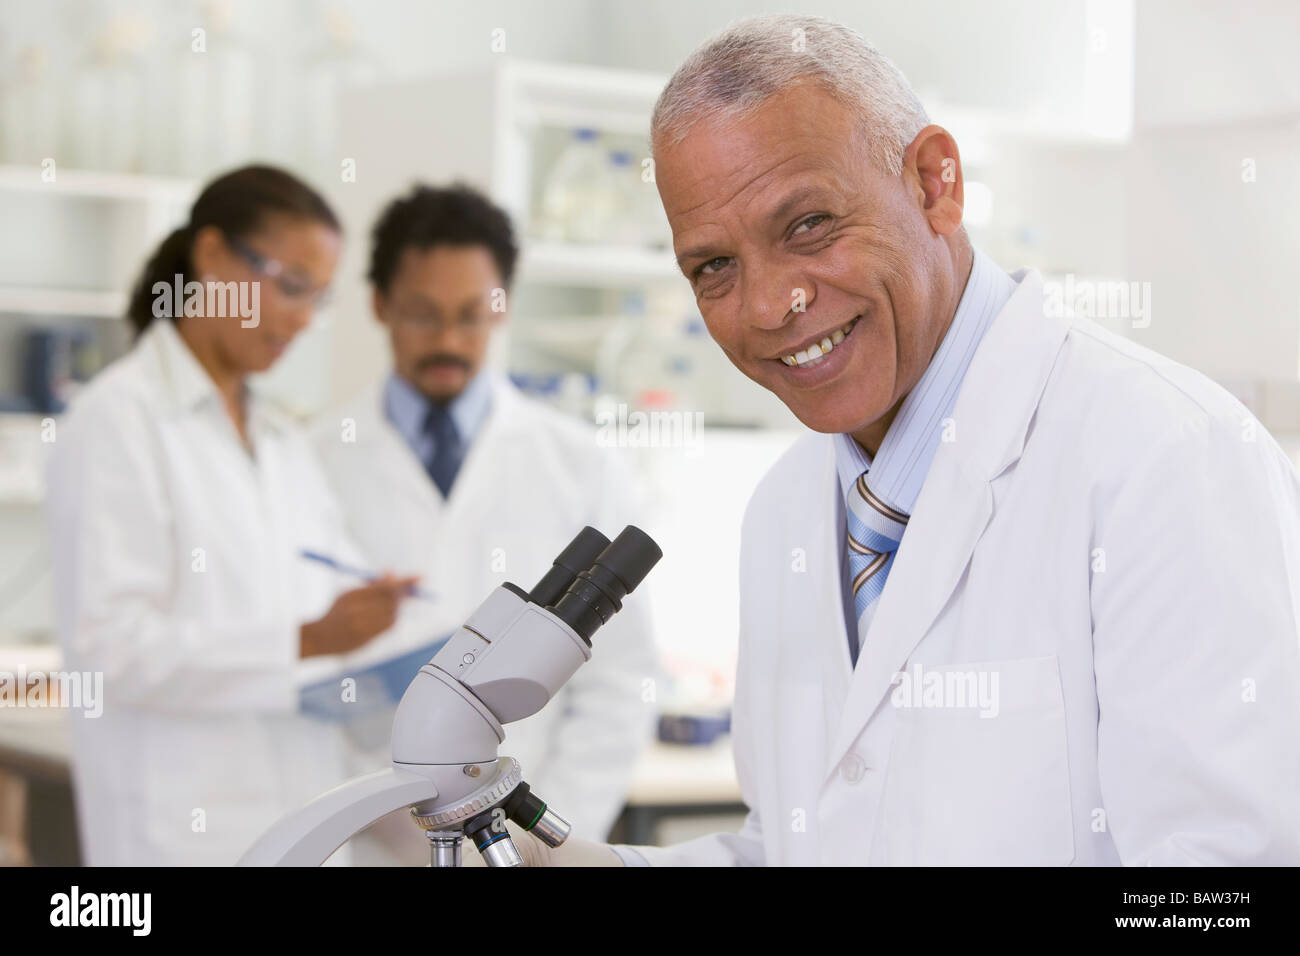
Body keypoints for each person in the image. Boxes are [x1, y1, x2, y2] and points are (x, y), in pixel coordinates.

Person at [491, 14, 1300, 866]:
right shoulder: (786, 511)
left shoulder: (1168, 460)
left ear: (934, 182)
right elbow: (804, 847)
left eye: (807, 224)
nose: (770, 306)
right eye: (713, 267)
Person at [46, 165, 419, 866]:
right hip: (177, 839)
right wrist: (303, 640)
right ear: (212, 256)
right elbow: (111, 650)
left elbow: (324, 596)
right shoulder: (117, 423)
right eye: (289, 285)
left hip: (301, 829)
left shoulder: (281, 441)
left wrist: (376, 618)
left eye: (318, 297)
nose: (303, 318)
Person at [310, 184, 658, 864]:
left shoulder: (579, 463)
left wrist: (545, 840)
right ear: (380, 306)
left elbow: (619, 684)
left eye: (471, 316)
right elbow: (302, 683)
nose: (448, 340)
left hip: (526, 844)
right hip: (367, 845)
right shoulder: (312, 461)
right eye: (422, 315)